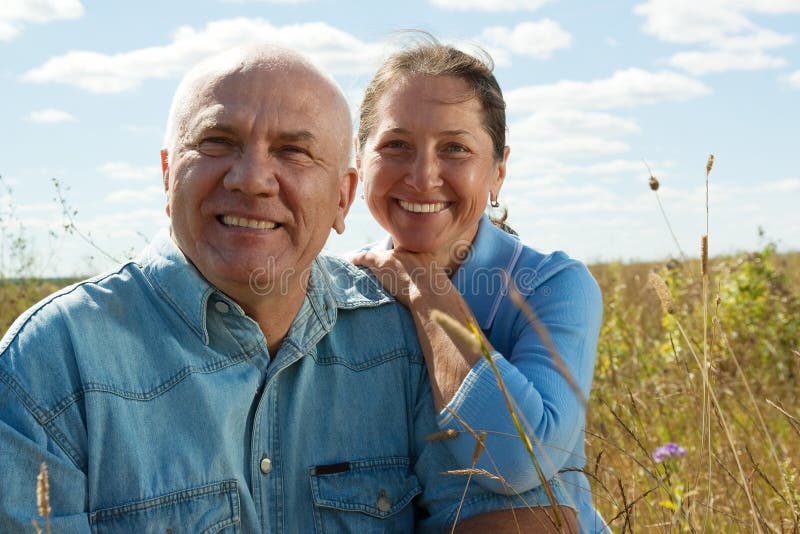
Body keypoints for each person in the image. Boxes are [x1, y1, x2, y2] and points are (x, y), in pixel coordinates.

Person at [0, 44, 571, 532]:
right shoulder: (54, 362)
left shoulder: (402, 339)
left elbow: (517, 514)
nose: (250, 178)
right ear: (167, 173)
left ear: (344, 198)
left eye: (293, 151)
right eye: (218, 141)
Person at [352, 40, 609, 533]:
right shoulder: (341, 292)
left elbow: (520, 462)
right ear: (360, 163)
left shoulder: (552, 286)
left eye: (455, 148)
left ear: (498, 171)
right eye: (395, 145)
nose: (423, 176)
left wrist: (427, 288)